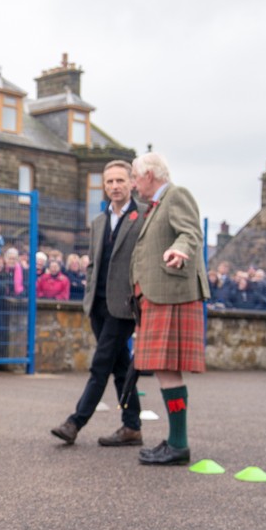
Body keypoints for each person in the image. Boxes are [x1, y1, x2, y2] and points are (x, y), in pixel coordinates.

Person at [51, 160, 144, 448]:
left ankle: (74, 422)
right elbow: (93, 263)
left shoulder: (142, 216)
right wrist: (89, 294)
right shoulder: (99, 221)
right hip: (98, 305)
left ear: (131, 182)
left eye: (120, 181)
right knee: (119, 366)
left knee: (100, 364)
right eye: (109, 182)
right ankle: (132, 427)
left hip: (123, 306)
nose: (114, 186)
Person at [129, 151, 210, 465]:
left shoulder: (176, 195)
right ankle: (176, 441)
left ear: (149, 175)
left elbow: (191, 232)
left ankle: (179, 444)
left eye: (136, 177)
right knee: (165, 369)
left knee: (167, 368)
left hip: (171, 295)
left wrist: (179, 249)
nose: (135, 185)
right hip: (156, 296)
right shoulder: (156, 205)